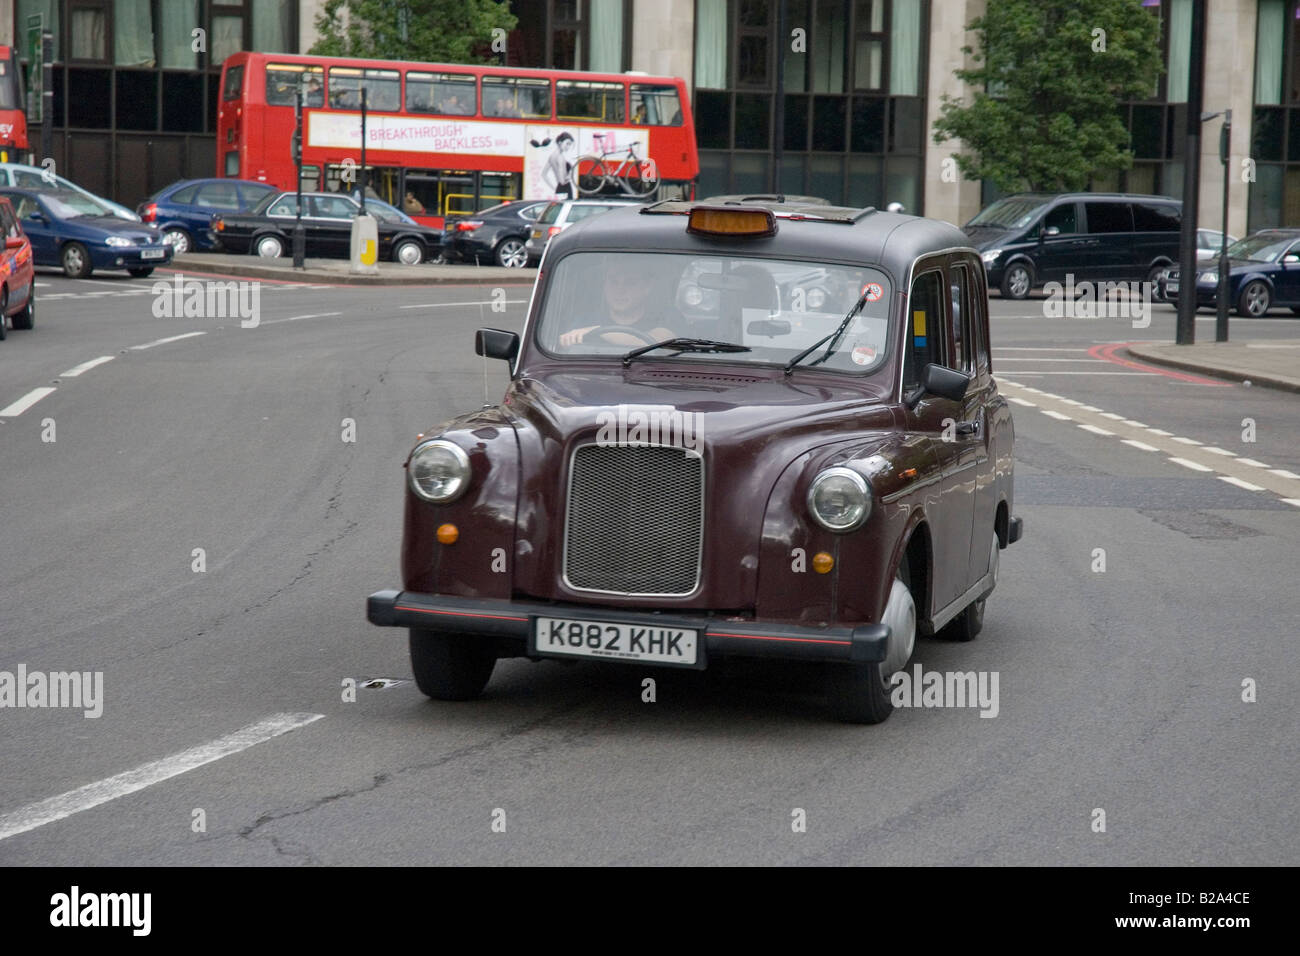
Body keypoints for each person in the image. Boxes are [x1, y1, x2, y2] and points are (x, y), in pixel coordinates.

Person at [559, 261, 676, 347]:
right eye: (613, 281)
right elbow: (564, 345)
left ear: (647, 287)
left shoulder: (666, 317)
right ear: (604, 285)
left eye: (630, 283)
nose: (619, 290)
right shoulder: (585, 320)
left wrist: (595, 331)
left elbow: (654, 341)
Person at [542, 132, 576, 199]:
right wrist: (569, 176)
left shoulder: (552, 156)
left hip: (559, 189)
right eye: (567, 144)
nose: (568, 147)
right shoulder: (560, 157)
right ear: (560, 143)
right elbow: (562, 181)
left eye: (570, 145)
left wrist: (554, 188)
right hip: (566, 188)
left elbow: (544, 174)